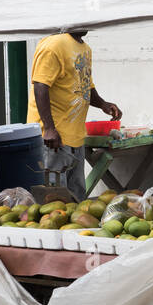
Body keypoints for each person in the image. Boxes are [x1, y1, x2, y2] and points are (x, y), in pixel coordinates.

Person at [26, 29, 121, 202]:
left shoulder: (85, 49)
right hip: (53, 140)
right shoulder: (53, 45)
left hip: (75, 138)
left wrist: (103, 104)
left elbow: (85, 85)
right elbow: (40, 85)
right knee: (54, 203)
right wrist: (48, 128)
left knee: (77, 201)